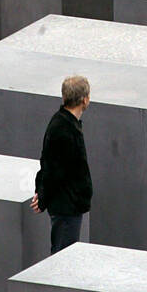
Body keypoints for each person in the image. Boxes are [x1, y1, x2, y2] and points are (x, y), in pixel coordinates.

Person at [31, 74, 92, 255]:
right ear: (84, 100)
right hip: (66, 208)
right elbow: (52, 169)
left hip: (68, 205)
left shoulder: (64, 123)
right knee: (63, 259)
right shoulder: (64, 129)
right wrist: (42, 197)